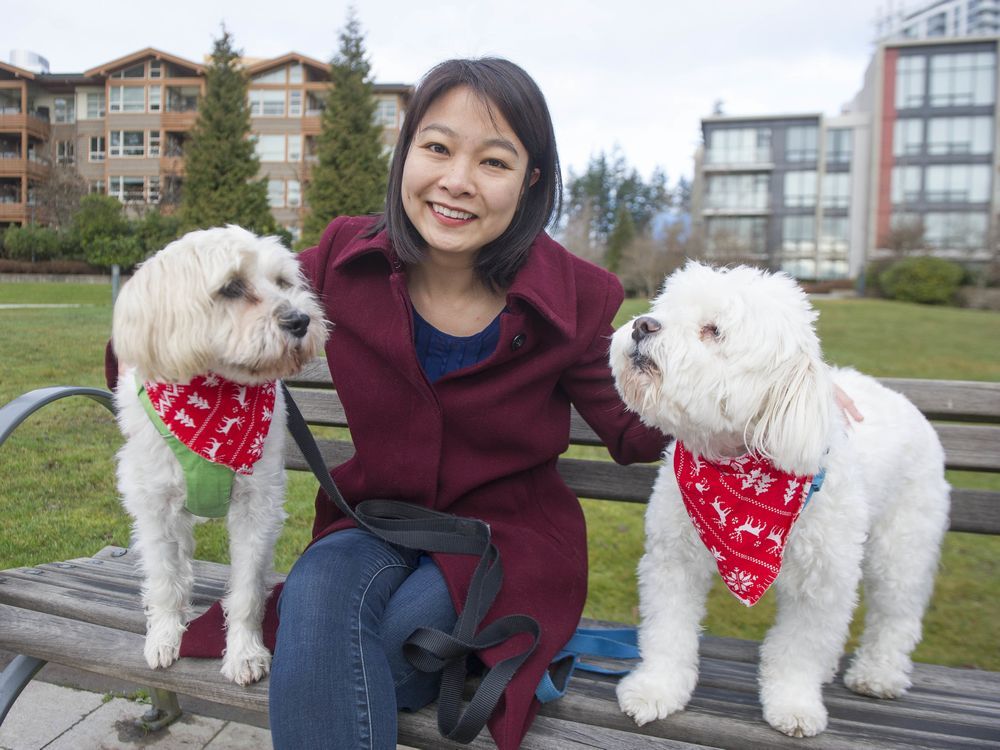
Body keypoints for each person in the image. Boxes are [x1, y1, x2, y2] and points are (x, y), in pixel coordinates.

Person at [266, 57, 668, 750]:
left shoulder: (574, 297)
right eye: (438, 148)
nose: (456, 182)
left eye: (494, 161)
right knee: (315, 601)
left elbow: (638, 431)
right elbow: (231, 301)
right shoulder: (342, 257)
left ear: (530, 180)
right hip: (374, 520)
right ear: (406, 153)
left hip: (504, 540)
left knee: (395, 647)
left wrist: (762, 394)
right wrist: (149, 341)